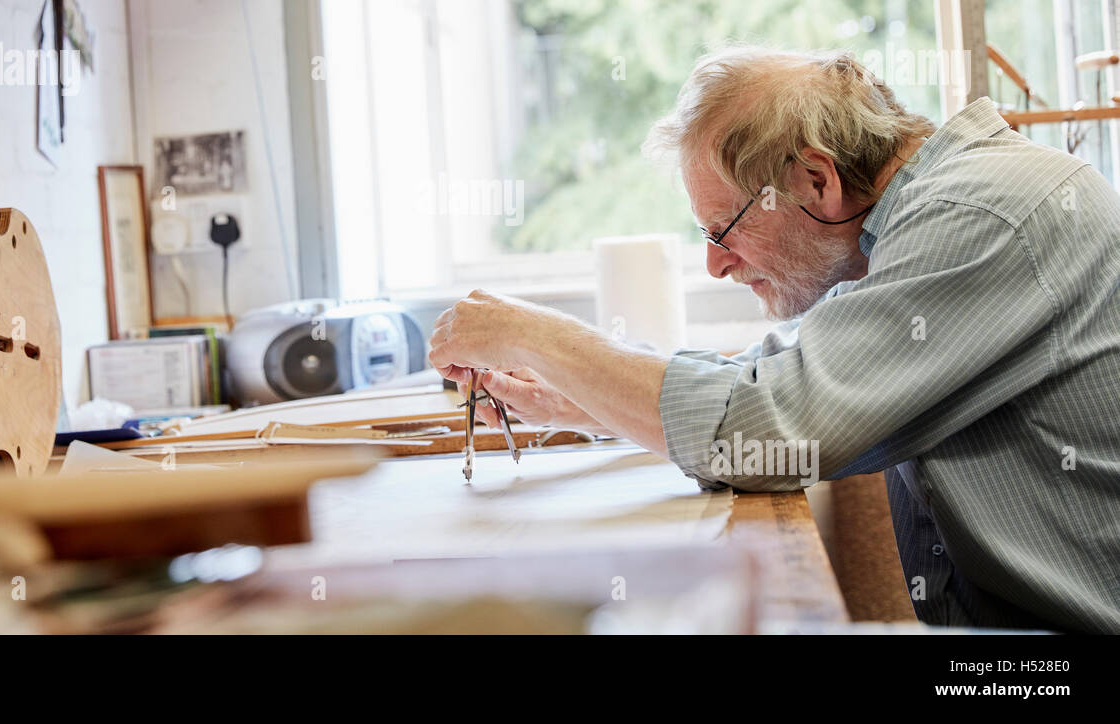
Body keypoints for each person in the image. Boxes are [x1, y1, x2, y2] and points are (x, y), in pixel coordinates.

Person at [429, 46, 1120, 632]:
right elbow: (775, 382)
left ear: (815, 181)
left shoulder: (980, 218)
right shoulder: (929, 214)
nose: (715, 265)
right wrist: (579, 399)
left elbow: (766, 426)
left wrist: (534, 334)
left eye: (721, 231)